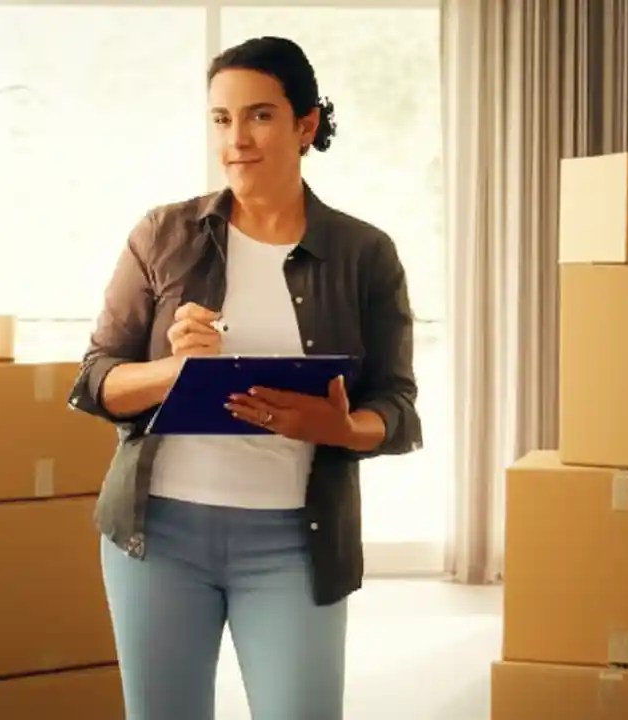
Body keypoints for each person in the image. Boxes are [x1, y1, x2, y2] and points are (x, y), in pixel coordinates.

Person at [69, 36, 422, 720]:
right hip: (157, 537)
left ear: (306, 124)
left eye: (259, 116)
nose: (237, 140)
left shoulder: (365, 254)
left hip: (296, 541)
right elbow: (95, 380)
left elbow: (399, 405)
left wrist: (342, 428)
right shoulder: (161, 235)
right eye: (222, 119)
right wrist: (173, 371)